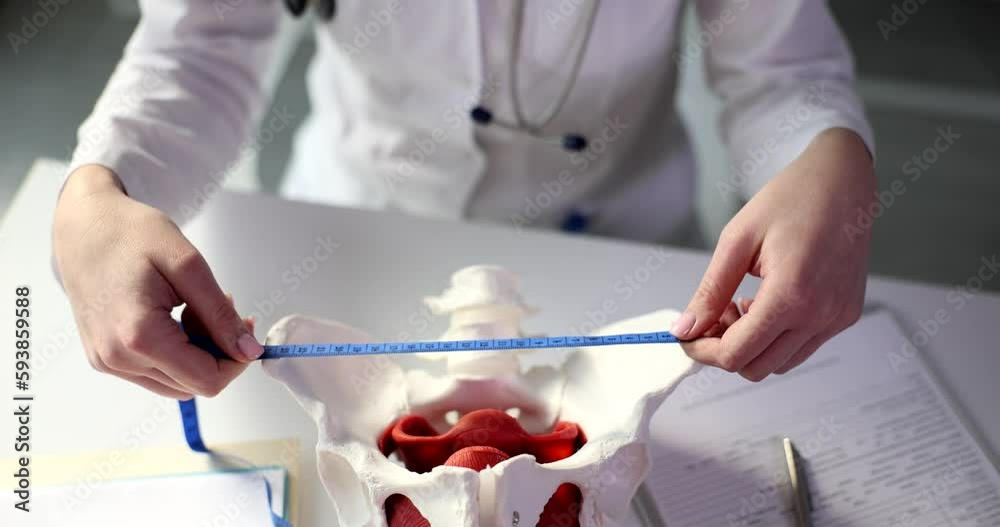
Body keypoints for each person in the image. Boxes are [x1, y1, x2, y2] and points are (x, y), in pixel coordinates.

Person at [52, 0, 876, 400]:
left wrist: (830, 157)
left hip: (631, 257)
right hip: (348, 240)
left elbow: (783, 71)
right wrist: (99, 189)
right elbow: (198, 49)